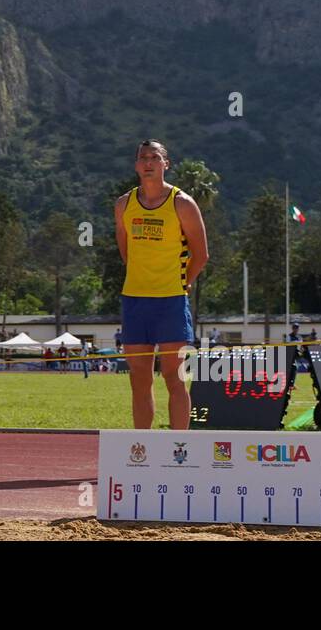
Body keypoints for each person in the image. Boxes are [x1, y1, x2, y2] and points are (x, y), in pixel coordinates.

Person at [114, 140, 209, 431]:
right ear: (136, 165)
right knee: (139, 379)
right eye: (143, 157)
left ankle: (179, 449)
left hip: (170, 300)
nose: (148, 162)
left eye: (155, 157)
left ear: (166, 164)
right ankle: (142, 449)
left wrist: (183, 283)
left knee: (174, 377)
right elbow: (126, 251)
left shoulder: (182, 203)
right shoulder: (124, 204)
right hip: (135, 300)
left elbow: (201, 254)